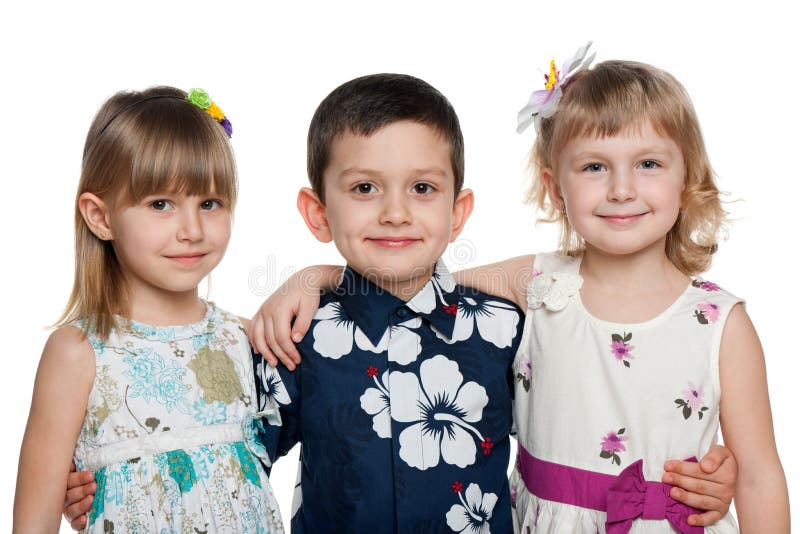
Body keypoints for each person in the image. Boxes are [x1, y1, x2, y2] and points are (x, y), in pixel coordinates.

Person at [250, 51, 779, 531]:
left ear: (687, 180)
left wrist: (718, 475)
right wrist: (314, 277)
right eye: (595, 167)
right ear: (556, 188)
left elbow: (758, 474)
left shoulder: (710, 321)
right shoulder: (535, 292)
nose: (622, 188)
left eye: (648, 164)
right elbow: (410, 275)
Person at [14, 86, 284, 533]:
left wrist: (320, 276)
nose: (192, 229)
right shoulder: (80, 352)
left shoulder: (244, 337)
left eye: (210, 203)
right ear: (100, 217)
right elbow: (33, 524)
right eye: (161, 204)